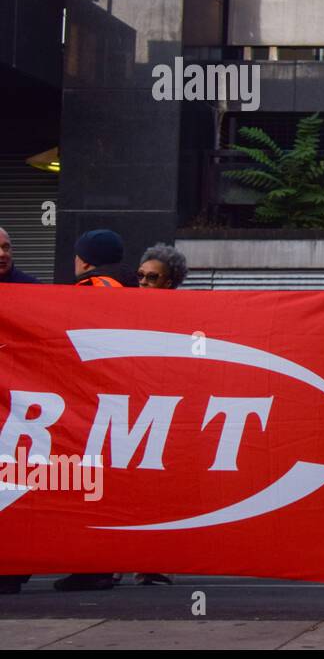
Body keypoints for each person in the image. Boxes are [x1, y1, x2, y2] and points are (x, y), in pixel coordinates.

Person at [54, 228, 128, 592]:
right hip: (120, 408)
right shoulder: (132, 291)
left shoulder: (83, 292)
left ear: (83, 259)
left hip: (84, 409)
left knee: (82, 489)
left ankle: (89, 568)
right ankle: (103, 565)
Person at [132, 244, 187, 586]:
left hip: (168, 410)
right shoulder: (125, 307)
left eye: (152, 277)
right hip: (131, 407)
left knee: (160, 488)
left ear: (170, 282)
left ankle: (154, 560)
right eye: (140, 276)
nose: (143, 283)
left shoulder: (183, 313)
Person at [0, 227, 40, 592]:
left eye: (7, 246)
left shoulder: (32, 292)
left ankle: (12, 569)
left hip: (17, 412)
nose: (2, 253)